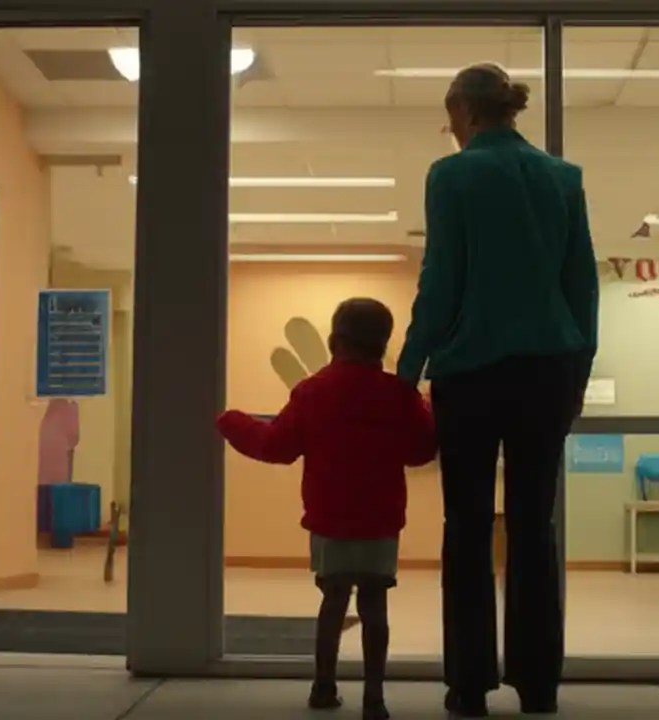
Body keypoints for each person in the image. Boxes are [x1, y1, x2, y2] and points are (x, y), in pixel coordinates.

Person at [397, 63, 599, 718]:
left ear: (464, 111)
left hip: (472, 372)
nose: (448, 129)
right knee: (534, 528)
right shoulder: (563, 179)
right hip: (549, 370)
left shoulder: (452, 174)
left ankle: (469, 684)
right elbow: (582, 287)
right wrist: (579, 373)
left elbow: (442, 279)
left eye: (449, 117)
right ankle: (539, 684)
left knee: (468, 526)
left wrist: (408, 368)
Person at [219, 298, 437, 720]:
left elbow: (275, 446)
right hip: (380, 520)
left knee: (333, 601)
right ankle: (374, 699)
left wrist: (232, 421)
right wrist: (429, 405)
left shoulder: (314, 391)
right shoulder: (397, 394)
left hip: (330, 517)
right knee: (375, 606)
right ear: (383, 344)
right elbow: (421, 449)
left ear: (334, 340)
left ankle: (323, 686)